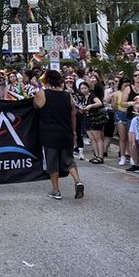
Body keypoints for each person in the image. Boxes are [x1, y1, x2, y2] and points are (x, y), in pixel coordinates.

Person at [33, 69, 84, 199]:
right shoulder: (67, 95)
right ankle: (78, 181)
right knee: (68, 160)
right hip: (65, 132)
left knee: (52, 162)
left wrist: (37, 90)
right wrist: (73, 132)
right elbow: (73, 113)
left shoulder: (43, 93)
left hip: (49, 134)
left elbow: (36, 105)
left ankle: (56, 190)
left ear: (48, 80)